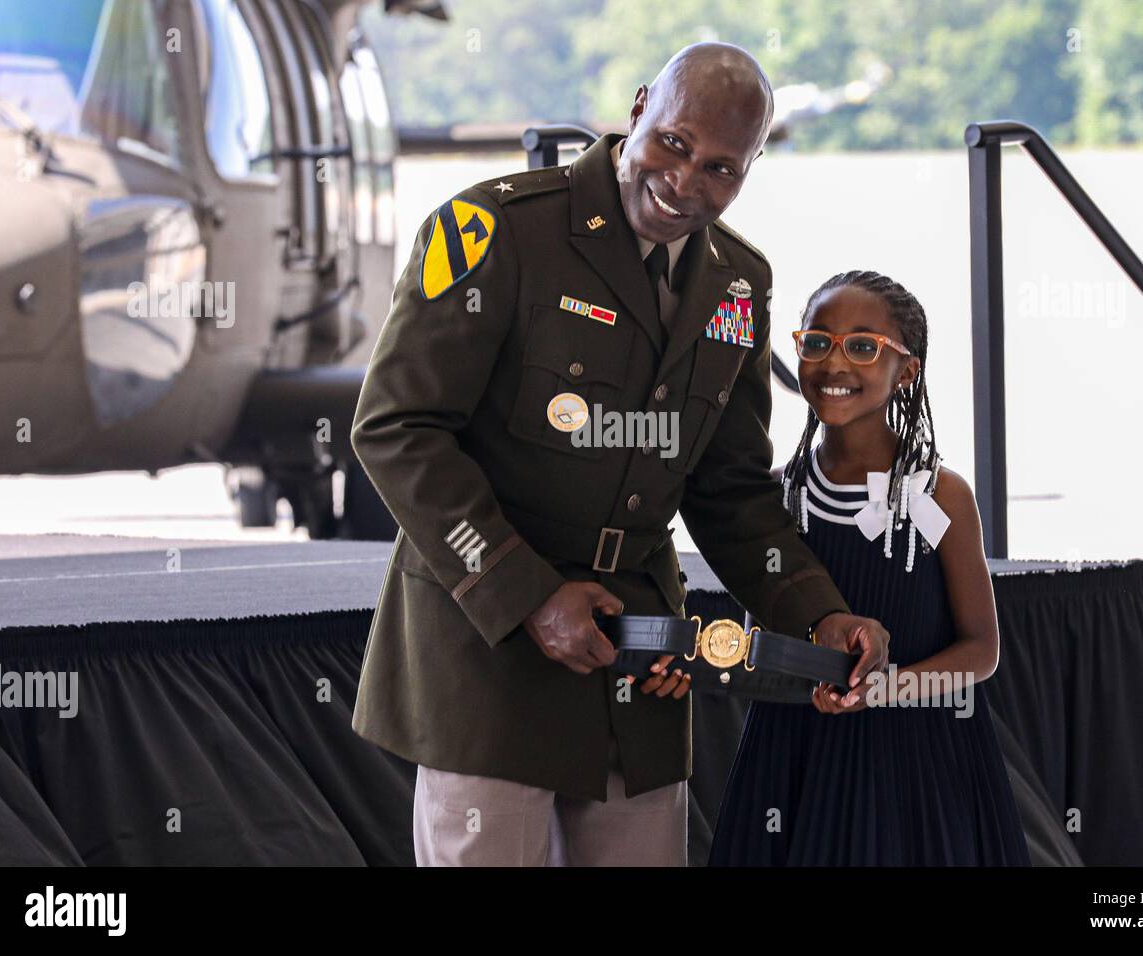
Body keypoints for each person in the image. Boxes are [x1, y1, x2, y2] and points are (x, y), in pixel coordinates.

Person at [348, 43, 891, 867]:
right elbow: (396, 427)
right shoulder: (495, 229)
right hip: (487, 647)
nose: (684, 183)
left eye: (721, 168)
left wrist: (817, 614)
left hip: (640, 660)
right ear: (638, 110)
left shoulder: (737, 284)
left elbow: (730, 489)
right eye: (673, 143)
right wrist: (529, 595)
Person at [708, 270, 1031, 865]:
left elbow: (981, 651)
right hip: (796, 752)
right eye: (817, 342)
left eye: (863, 347)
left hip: (919, 761)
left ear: (906, 369)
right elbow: (764, 641)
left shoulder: (941, 495)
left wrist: (883, 691)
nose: (835, 364)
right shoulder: (778, 498)